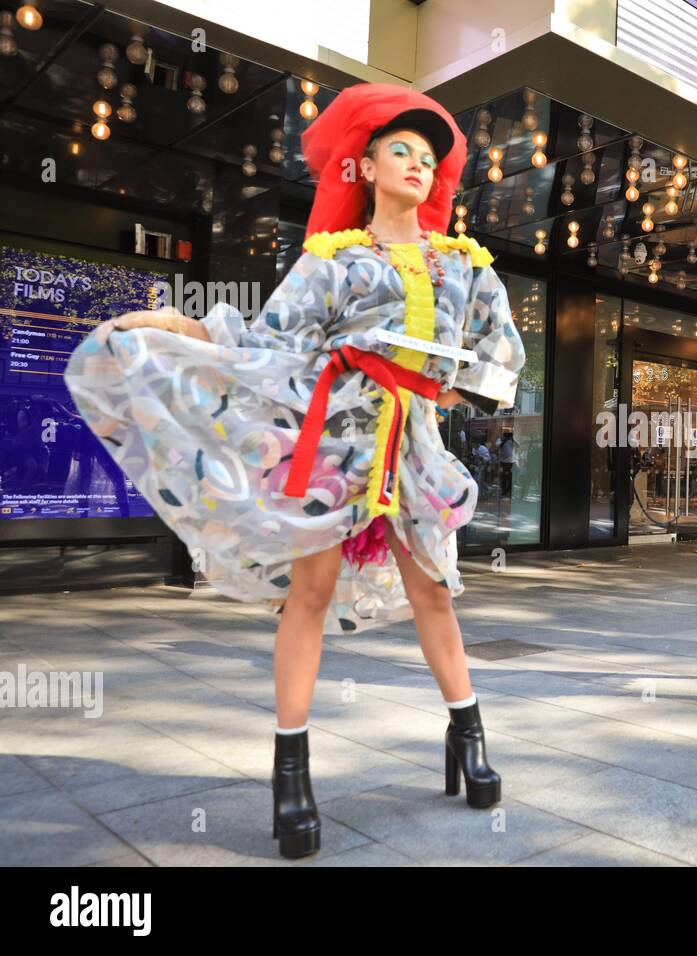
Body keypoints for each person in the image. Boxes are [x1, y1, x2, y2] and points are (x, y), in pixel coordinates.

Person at [63, 84, 527, 858]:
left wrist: (461, 380)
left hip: (411, 447)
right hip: (337, 445)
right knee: (307, 596)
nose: (416, 164)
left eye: (427, 157)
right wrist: (176, 324)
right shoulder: (331, 263)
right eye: (400, 151)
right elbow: (267, 342)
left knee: (434, 594)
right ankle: (291, 768)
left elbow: (500, 350)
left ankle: (468, 734)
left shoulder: (465, 268)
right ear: (367, 163)